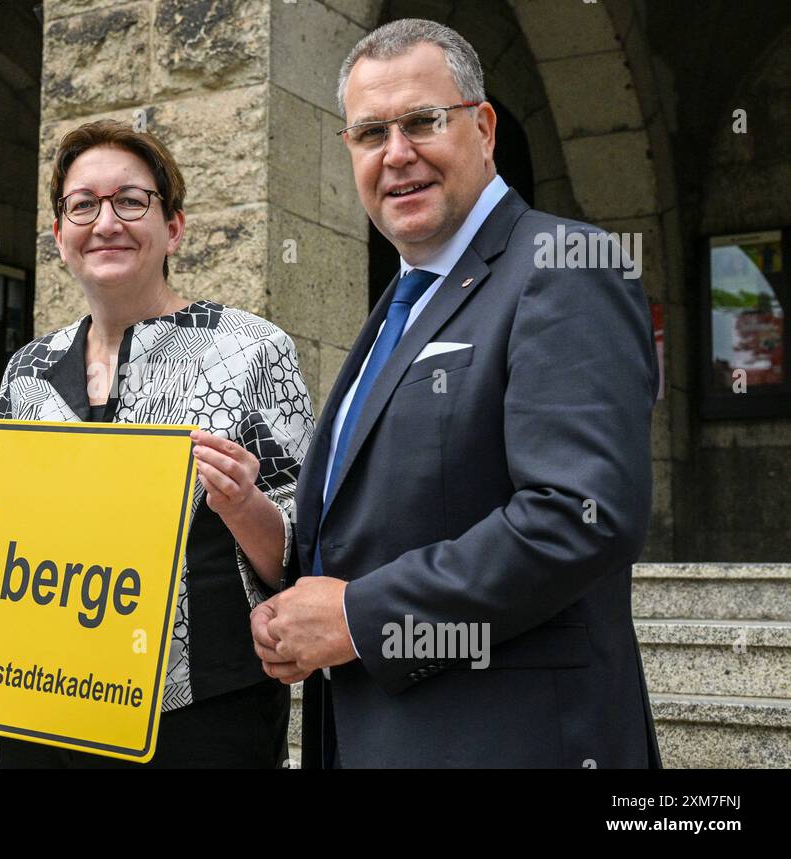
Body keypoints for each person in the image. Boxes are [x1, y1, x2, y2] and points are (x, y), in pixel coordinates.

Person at [252, 19, 662, 768]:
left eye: (422, 121)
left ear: (484, 128)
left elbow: (579, 516)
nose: (396, 153)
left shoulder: (566, 266)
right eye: (370, 133)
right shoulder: (400, 304)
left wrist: (359, 617)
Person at [0, 119, 314, 768]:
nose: (106, 222)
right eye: (83, 205)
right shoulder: (28, 370)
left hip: (204, 716)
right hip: (43, 706)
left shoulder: (251, 349)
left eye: (131, 201)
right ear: (58, 236)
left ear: (174, 228)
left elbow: (305, 556)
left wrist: (242, 504)